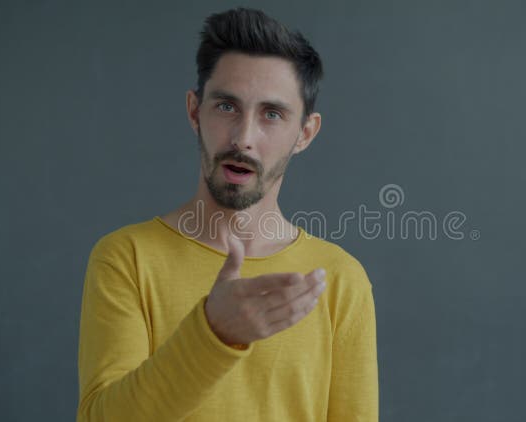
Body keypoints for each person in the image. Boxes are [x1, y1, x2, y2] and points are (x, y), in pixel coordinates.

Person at [76, 7, 379, 421]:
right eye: (226, 107)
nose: (243, 138)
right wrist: (213, 333)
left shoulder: (340, 280)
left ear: (305, 134)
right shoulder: (126, 260)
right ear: (194, 111)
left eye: (272, 114)